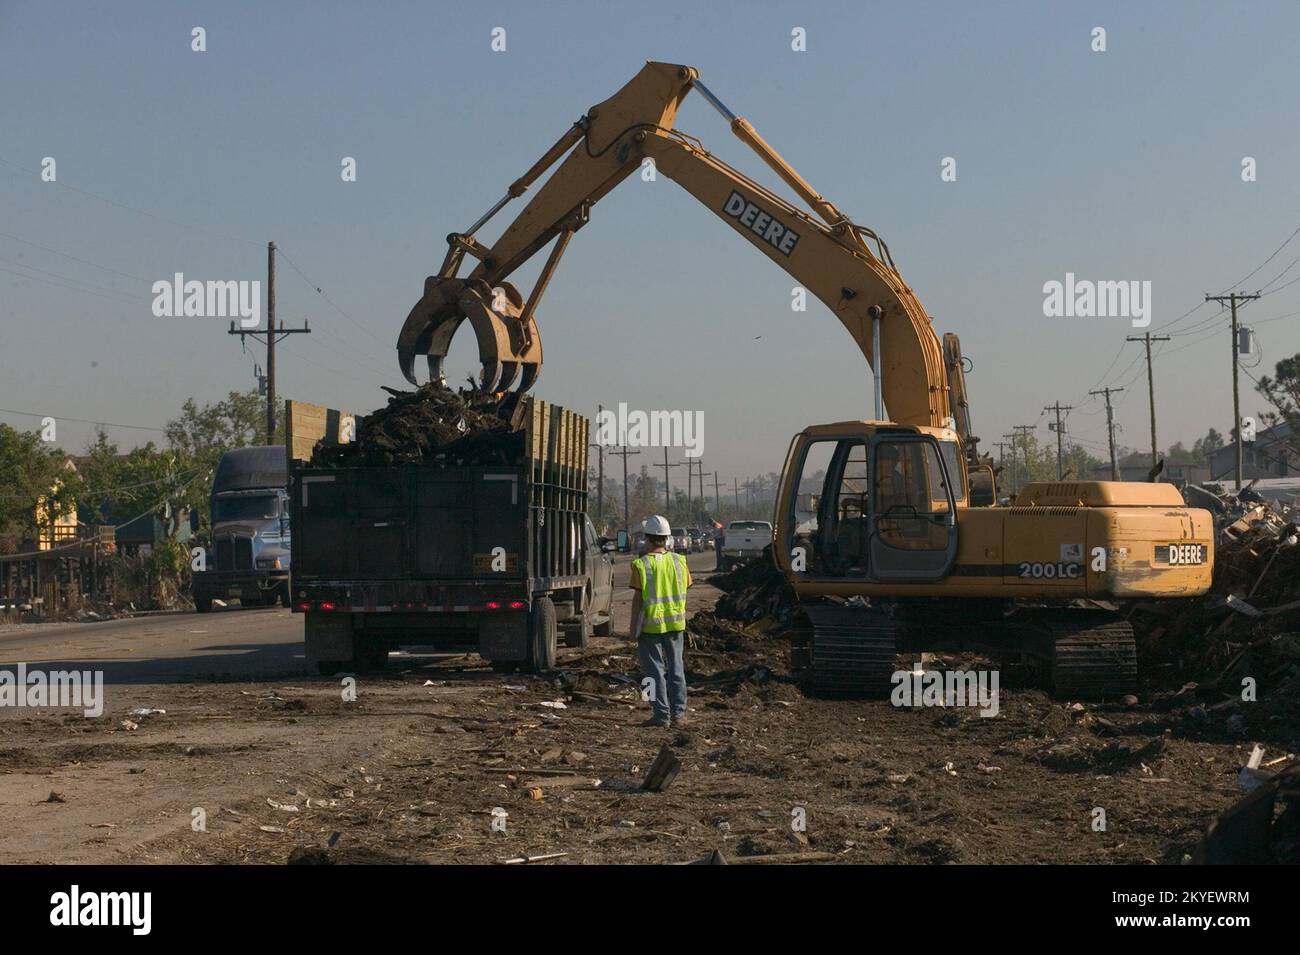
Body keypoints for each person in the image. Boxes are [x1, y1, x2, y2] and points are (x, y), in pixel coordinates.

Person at [629, 514, 692, 728]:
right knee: (676, 669)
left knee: (652, 673)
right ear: (666, 538)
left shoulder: (641, 564)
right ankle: (678, 714)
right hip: (676, 624)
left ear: (647, 538)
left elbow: (638, 600)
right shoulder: (679, 561)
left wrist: (632, 630)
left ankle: (660, 715)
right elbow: (685, 587)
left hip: (650, 626)